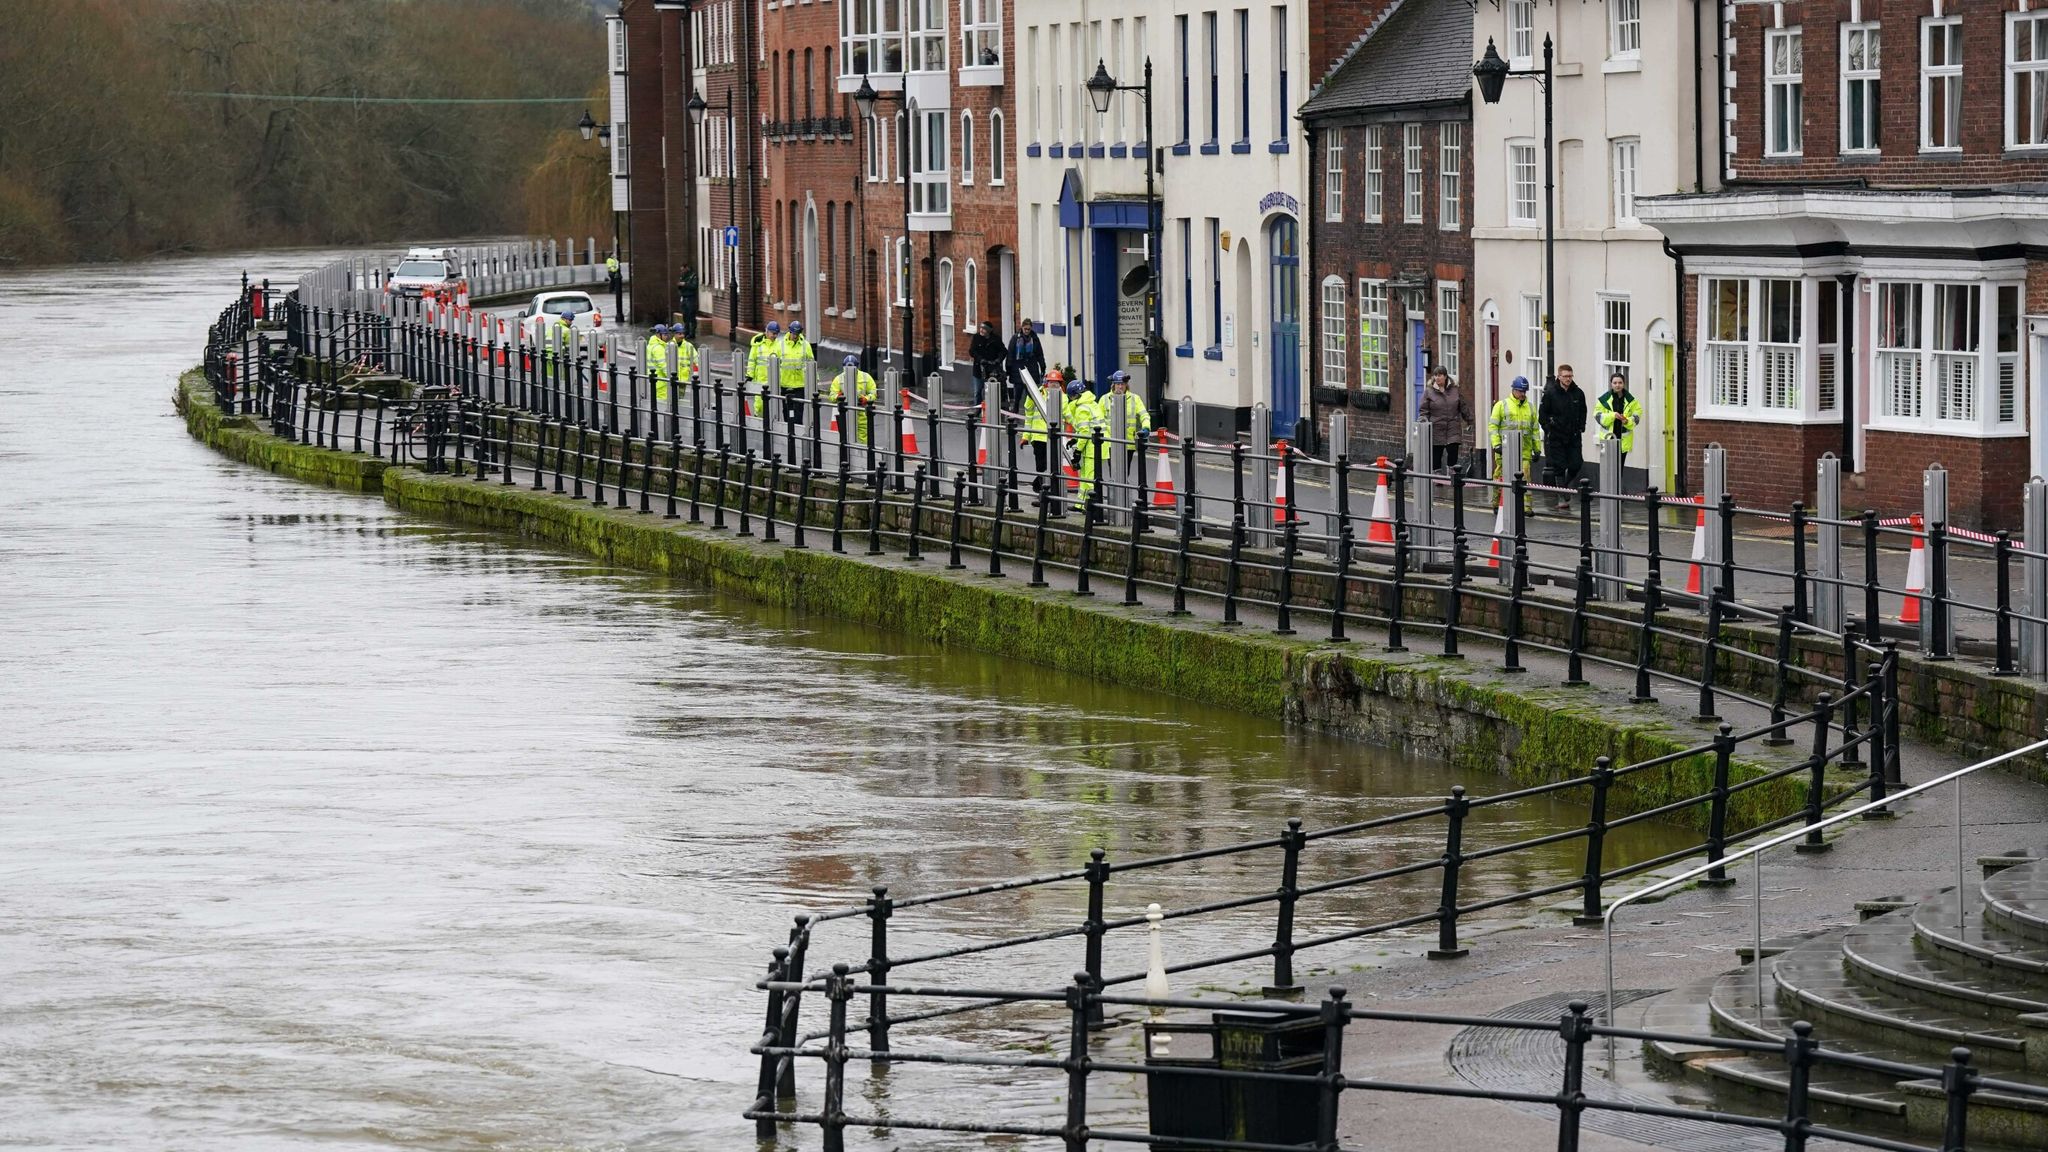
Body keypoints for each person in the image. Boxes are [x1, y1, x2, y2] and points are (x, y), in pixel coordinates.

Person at [1538, 363, 1587, 509]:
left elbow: (1583, 411)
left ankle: (1564, 487)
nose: (1568, 379)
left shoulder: (1578, 393)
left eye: (1570, 376)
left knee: (1576, 463)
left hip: (1574, 435)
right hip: (1557, 436)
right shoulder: (1550, 393)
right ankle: (1561, 497)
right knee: (1559, 466)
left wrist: (1581, 427)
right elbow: (1542, 415)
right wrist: (1549, 429)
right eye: (1565, 376)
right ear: (1559, 377)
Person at [1417, 364, 1473, 474]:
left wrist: (1469, 420)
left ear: (1445, 376)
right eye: (1435, 375)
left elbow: (1463, 406)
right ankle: (1436, 474)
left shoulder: (1455, 390)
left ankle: (1451, 472)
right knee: (1437, 452)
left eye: (1440, 375)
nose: (1437, 378)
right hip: (1436, 426)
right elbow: (1424, 409)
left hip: (1453, 425)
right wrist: (1424, 420)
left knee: (1453, 449)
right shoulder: (1429, 392)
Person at [1488, 376, 1541, 482]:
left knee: (1524, 479)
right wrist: (1496, 444)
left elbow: (1535, 430)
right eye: (1520, 391)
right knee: (1501, 479)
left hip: (1524, 451)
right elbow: (1493, 426)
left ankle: (1524, 495)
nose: (1523, 394)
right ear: (1513, 390)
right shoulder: (1501, 405)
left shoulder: (1530, 408)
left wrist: (1537, 449)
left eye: (1524, 391)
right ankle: (1496, 494)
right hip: (1505, 450)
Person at [1064, 377, 1105, 507]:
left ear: (1073, 396)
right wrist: (1076, 440)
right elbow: (1087, 429)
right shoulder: (1092, 403)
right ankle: (1081, 505)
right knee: (1086, 477)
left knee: (1089, 479)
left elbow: (1084, 432)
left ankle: (1092, 507)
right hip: (1096, 445)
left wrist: (1078, 450)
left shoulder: (1082, 408)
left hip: (1092, 448)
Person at [1104, 369, 1152, 481]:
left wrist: (1146, 427)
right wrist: (1104, 436)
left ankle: (1123, 490)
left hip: (1128, 443)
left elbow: (1144, 414)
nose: (1120, 387)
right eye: (1117, 384)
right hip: (1110, 442)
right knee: (1114, 471)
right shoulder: (1105, 399)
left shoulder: (1135, 399)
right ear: (1113, 385)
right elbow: (1099, 419)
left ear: (1126, 385)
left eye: (1122, 384)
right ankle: (1116, 491)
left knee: (1125, 472)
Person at [827, 353, 878, 444]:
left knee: (863, 438)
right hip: (846, 413)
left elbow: (873, 393)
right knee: (846, 438)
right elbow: (831, 396)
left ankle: (863, 452)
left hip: (862, 413)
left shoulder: (866, 377)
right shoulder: (839, 379)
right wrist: (837, 396)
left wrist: (866, 398)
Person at [1595, 371, 1644, 462]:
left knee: (1619, 466)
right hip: (1607, 438)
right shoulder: (1604, 399)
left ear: (1624, 383)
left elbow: (1637, 415)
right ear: (1611, 384)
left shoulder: (1631, 400)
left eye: (1620, 383)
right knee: (1606, 465)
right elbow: (1598, 416)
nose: (1617, 385)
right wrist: (1613, 415)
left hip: (1623, 439)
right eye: (1615, 383)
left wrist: (1627, 421)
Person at [777, 320, 814, 425]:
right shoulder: (781, 345)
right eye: (793, 333)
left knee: (798, 412)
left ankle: (797, 432)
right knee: (787, 411)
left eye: (797, 334)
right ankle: (789, 432)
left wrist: (814, 380)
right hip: (785, 384)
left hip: (799, 385)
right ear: (790, 331)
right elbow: (775, 364)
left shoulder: (805, 345)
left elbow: (811, 363)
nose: (795, 336)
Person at [1007, 319, 1046, 406]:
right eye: (1025, 329)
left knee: (1031, 392)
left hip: (1031, 367)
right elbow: (1010, 353)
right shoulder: (1015, 338)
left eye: (1029, 329)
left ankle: (1031, 409)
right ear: (1022, 327)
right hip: (1018, 367)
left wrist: (1042, 366)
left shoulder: (1035, 339)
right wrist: (1008, 368)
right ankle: (1016, 408)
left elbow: (1039, 354)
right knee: (1018, 391)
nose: (1027, 331)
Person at [969, 320, 1006, 408]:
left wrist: (998, 360)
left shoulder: (996, 339)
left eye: (984, 329)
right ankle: (977, 409)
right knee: (978, 391)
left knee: (992, 390)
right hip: (979, 368)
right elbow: (972, 351)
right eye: (981, 328)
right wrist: (980, 359)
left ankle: (993, 408)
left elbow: (1003, 351)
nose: (981, 330)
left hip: (992, 369)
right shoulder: (976, 338)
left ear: (989, 330)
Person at [746, 321, 779, 417]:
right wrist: (749, 375)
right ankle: (758, 420)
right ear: (767, 332)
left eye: (776, 334)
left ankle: (771, 423)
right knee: (759, 406)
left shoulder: (778, 345)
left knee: (773, 406)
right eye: (773, 333)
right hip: (760, 380)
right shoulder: (758, 345)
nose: (775, 336)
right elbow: (752, 360)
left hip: (773, 381)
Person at [643, 323, 672, 403]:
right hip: (662, 382)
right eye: (665, 334)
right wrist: (672, 377)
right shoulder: (658, 348)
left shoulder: (650, 345)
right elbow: (664, 365)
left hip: (655, 380)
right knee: (663, 404)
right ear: (659, 335)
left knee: (656, 403)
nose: (667, 337)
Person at [677, 269, 700, 341]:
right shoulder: (682, 276)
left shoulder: (693, 276)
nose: (682, 271)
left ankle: (692, 333)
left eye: (683, 269)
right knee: (685, 316)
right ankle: (686, 331)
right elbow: (679, 288)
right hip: (684, 297)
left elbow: (694, 286)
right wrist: (680, 285)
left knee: (691, 316)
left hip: (691, 298)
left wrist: (685, 284)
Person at [605, 252, 623, 318]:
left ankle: (613, 290)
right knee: (613, 282)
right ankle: (611, 290)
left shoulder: (615, 259)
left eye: (614, 254)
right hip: (612, 272)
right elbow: (610, 266)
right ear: (610, 255)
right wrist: (614, 270)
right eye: (613, 254)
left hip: (615, 272)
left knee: (614, 282)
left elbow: (617, 264)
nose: (614, 255)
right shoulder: (609, 260)